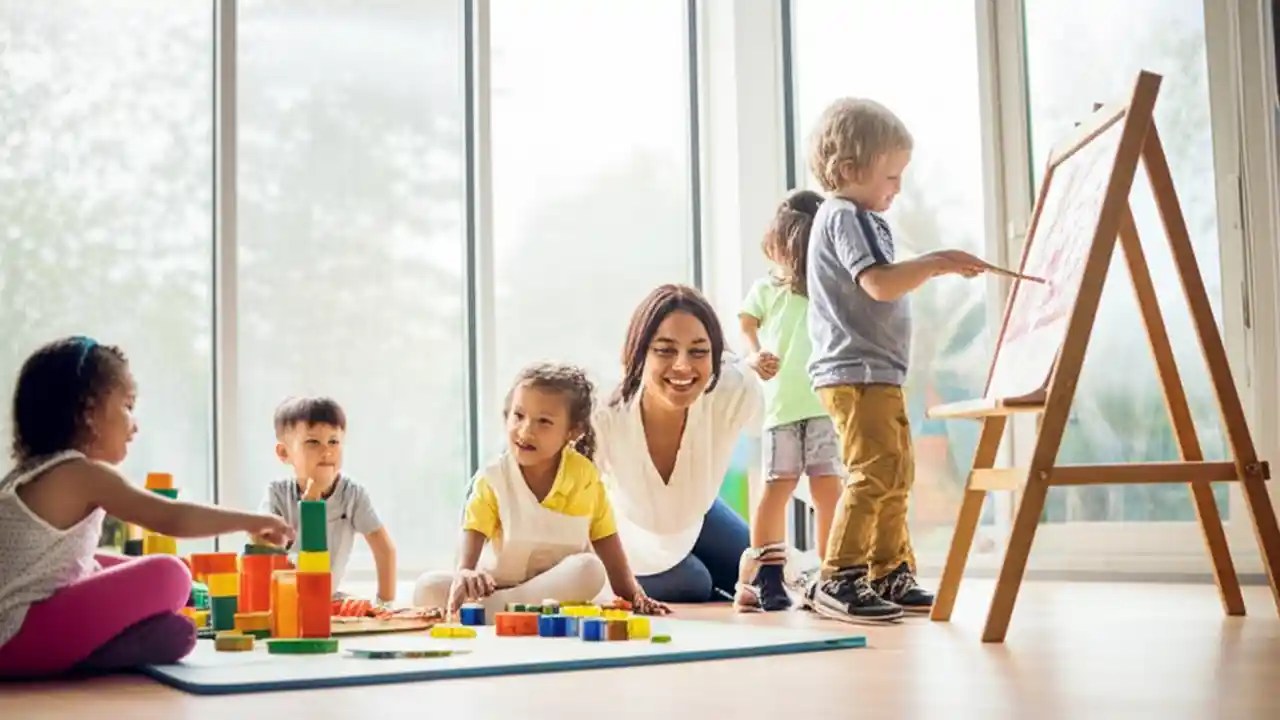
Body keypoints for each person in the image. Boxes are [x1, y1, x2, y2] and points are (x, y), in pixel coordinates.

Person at [0, 336, 294, 678]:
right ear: (89, 412)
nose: (134, 425)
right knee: (172, 575)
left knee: (174, 633)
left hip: (17, 632)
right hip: (18, 635)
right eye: (127, 406)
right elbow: (172, 517)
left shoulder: (28, 475)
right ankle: (78, 655)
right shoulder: (83, 474)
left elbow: (65, 566)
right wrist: (251, 521)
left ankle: (95, 653)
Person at [804, 98, 988, 623]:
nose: (897, 188)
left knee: (896, 471)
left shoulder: (861, 217)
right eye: (890, 176)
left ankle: (888, 571)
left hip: (876, 373)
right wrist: (937, 262)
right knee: (874, 471)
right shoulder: (845, 215)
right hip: (855, 372)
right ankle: (839, 576)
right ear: (847, 171)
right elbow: (880, 284)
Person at [413, 363, 668, 617]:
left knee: (590, 569)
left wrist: (635, 597)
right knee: (426, 588)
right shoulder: (493, 478)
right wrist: (466, 572)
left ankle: (496, 611)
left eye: (544, 422)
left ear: (573, 431)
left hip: (560, 590)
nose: (526, 431)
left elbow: (610, 549)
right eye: (518, 416)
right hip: (498, 587)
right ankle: (503, 606)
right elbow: (473, 534)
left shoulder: (586, 479)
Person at [593, 284, 763, 603]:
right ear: (639, 352)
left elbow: (785, 453)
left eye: (698, 351)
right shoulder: (605, 417)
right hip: (633, 536)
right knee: (694, 584)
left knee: (769, 576)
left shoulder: (733, 390)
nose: (683, 365)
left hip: (696, 514)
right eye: (665, 350)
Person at [735, 189, 844, 612]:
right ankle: (768, 574)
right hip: (783, 407)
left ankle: (834, 571)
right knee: (776, 488)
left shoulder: (827, 286)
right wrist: (753, 353)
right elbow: (747, 325)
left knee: (828, 489)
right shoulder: (766, 287)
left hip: (824, 403)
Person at [257, 396, 397, 605]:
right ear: (284, 453)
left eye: (334, 441)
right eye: (313, 442)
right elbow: (265, 551)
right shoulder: (276, 493)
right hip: (282, 599)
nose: (327, 451)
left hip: (326, 597)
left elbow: (385, 550)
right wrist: (313, 495)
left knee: (356, 606)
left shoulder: (352, 493)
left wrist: (384, 604)